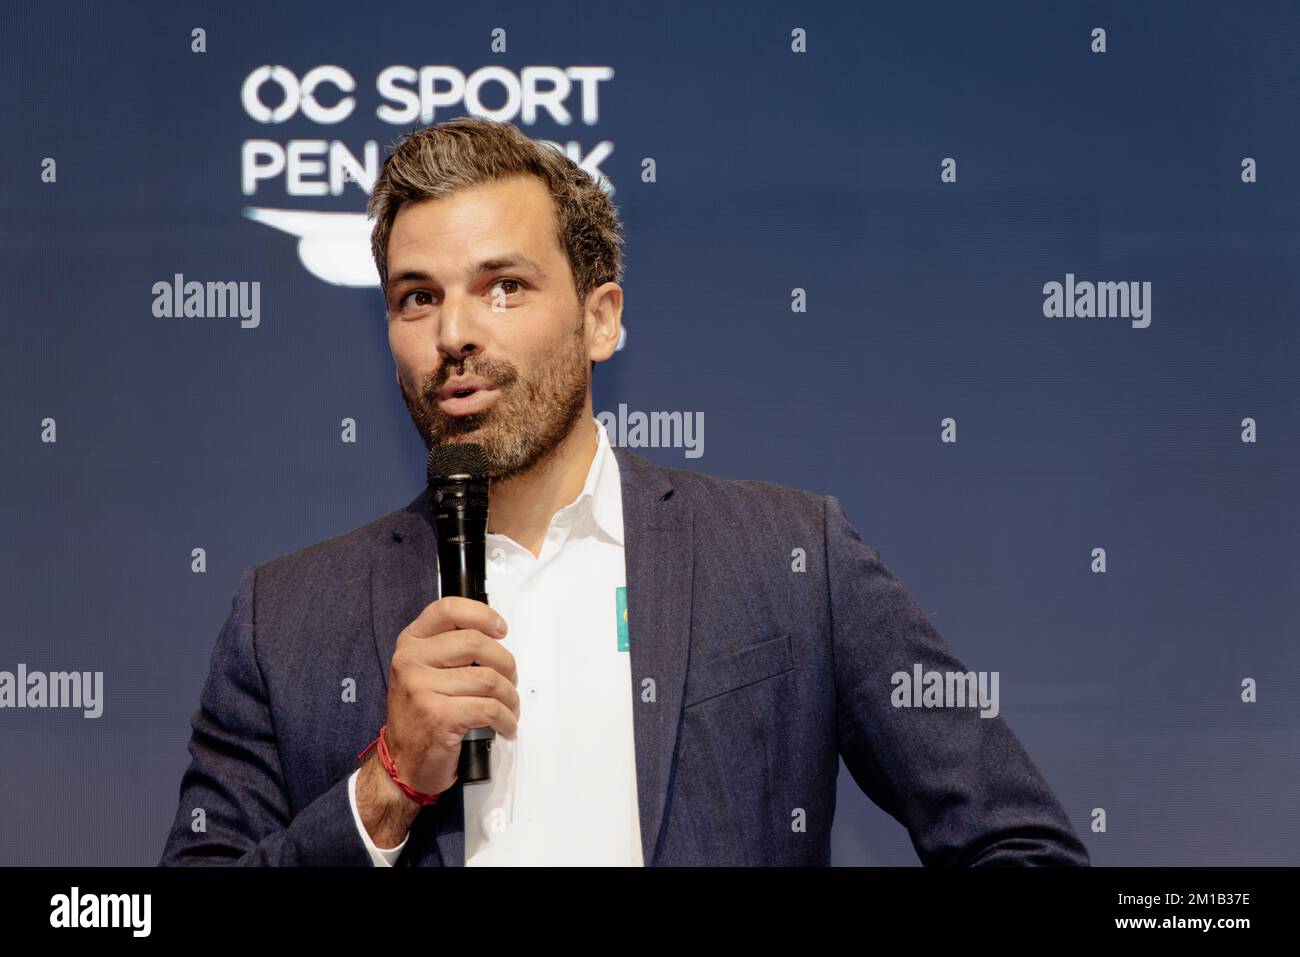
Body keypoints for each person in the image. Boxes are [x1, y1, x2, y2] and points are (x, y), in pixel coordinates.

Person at [159, 116, 1089, 867]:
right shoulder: (282, 619)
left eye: (504, 286)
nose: (455, 333)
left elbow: (1022, 845)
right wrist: (386, 788)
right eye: (416, 297)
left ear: (601, 318)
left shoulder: (790, 559)